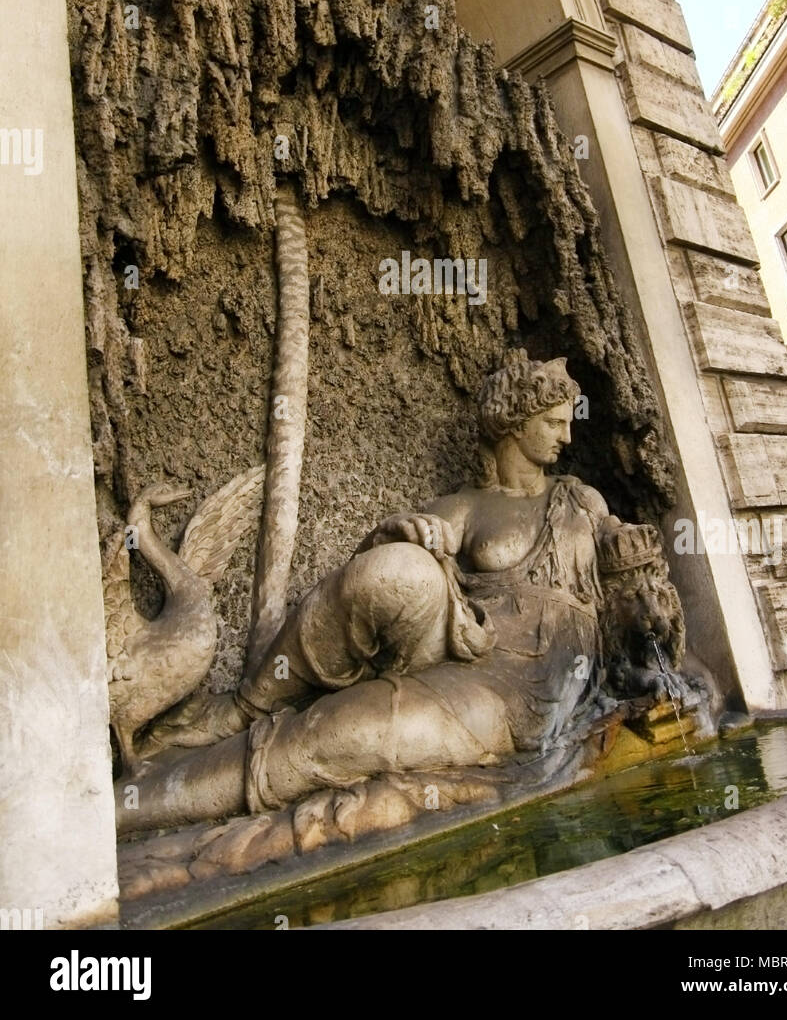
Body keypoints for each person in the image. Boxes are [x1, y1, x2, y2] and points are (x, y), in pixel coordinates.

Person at [120, 351, 662, 832]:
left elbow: (632, 580)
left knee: (343, 732)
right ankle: (247, 706)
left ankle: (136, 807)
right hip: (475, 662)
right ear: (513, 424)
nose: (567, 437)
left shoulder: (581, 500)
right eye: (553, 422)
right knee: (396, 567)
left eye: (568, 423)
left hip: (532, 693)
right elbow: (358, 576)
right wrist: (399, 530)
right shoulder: (465, 505)